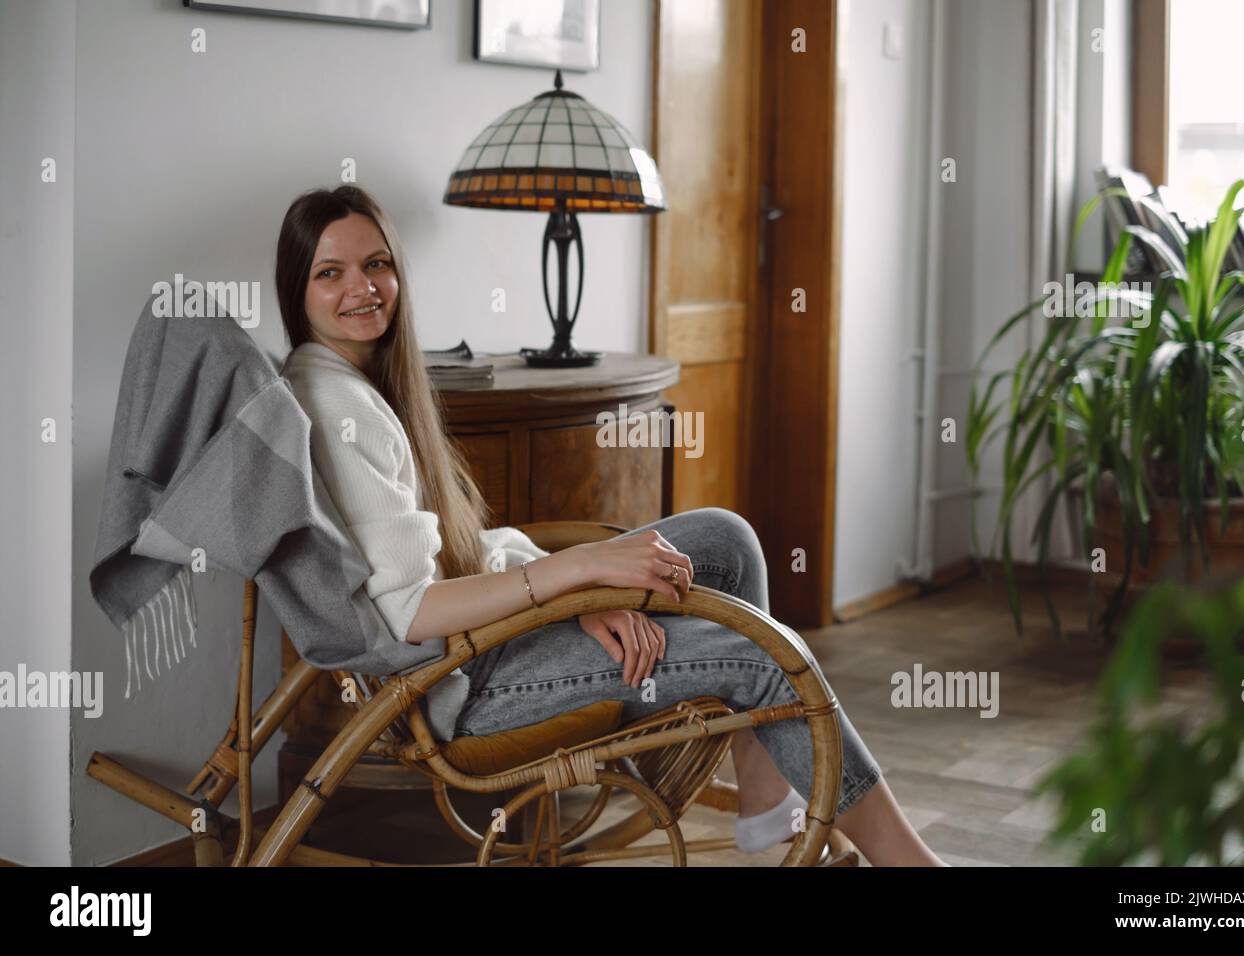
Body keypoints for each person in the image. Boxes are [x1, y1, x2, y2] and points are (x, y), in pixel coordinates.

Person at [274, 184, 946, 867]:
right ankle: (910, 863)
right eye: (330, 273)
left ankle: (764, 795)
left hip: (488, 639)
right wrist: (578, 578)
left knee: (726, 541)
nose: (362, 287)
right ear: (297, 291)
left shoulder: (364, 384)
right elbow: (412, 611)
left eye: (377, 264)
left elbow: (464, 550)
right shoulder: (338, 406)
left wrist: (579, 596)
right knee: (767, 656)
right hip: (462, 686)